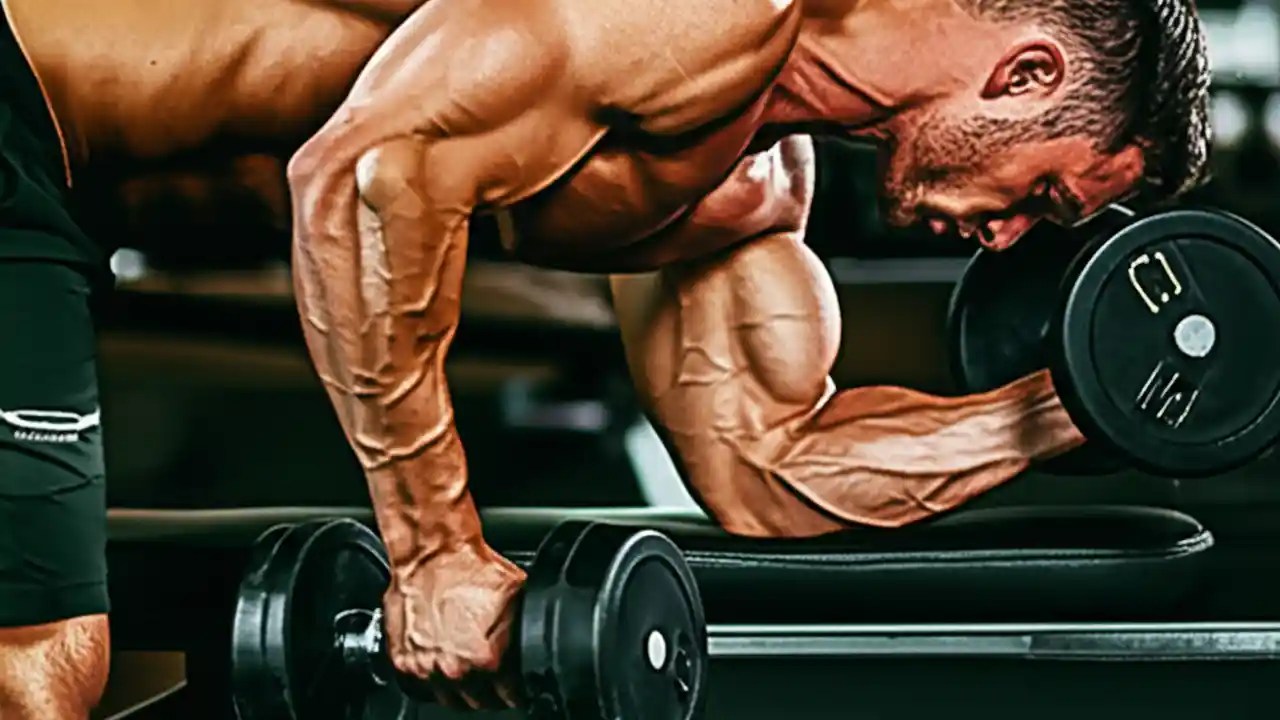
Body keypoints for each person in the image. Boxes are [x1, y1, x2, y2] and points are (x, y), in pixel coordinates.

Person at [0, 0, 1210, 716]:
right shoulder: (696, 12)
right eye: (1042, 196)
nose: (1006, 238)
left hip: (58, 221)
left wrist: (1060, 413)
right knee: (39, 674)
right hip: (18, 109)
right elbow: (373, 176)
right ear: (1027, 73)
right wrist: (433, 552)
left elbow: (765, 470)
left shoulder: (753, 178)